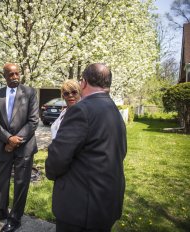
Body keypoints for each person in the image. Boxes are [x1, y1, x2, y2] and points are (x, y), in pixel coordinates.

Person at [45, 63, 127, 232]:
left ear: (83, 82)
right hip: (107, 200)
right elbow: (121, 151)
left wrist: (51, 172)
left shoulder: (81, 110)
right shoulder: (114, 110)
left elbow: (58, 158)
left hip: (81, 207)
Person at [0, 63, 39, 232]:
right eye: (11, 74)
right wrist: (8, 138)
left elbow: (33, 121)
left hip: (25, 147)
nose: (15, 77)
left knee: (21, 183)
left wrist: (16, 141)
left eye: (17, 73)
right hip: (3, 146)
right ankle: (1, 211)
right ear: (5, 76)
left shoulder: (30, 93)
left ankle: (15, 219)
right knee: (1, 181)